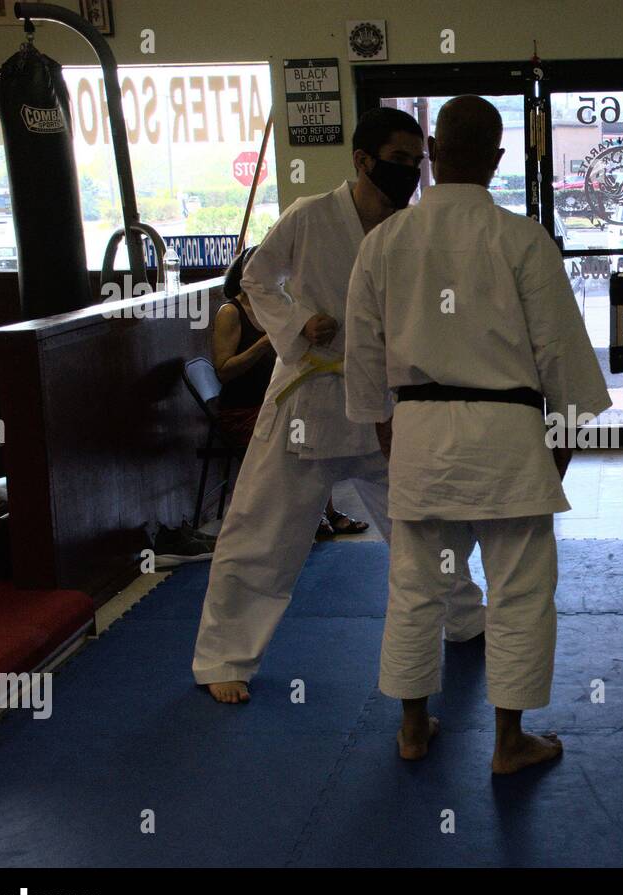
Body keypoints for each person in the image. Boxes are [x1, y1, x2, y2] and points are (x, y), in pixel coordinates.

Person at [344, 95, 611, 774]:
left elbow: (365, 360)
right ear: (497, 160)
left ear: (431, 150)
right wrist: (557, 455)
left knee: (413, 586)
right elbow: (564, 364)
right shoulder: (522, 240)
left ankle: (410, 728)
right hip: (508, 436)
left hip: (421, 432)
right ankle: (509, 742)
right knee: (519, 592)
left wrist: (389, 434)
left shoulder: (384, 243)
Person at [192, 107, 485, 705]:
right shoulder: (310, 215)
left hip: (382, 402)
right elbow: (257, 280)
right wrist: (299, 323)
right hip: (310, 397)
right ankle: (225, 655)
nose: (408, 171)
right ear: (362, 159)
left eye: (416, 161)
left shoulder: (413, 230)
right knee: (260, 532)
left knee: (427, 521)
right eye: (399, 160)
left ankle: (464, 617)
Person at [212, 247, 369, 540]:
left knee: (315, 420)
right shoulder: (231, 312)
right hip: (243, 409)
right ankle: (307, 515)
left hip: (273, 402)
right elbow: (223, 369)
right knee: (295, 433)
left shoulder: (284, 310)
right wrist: (265, 342)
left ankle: (325, 511)